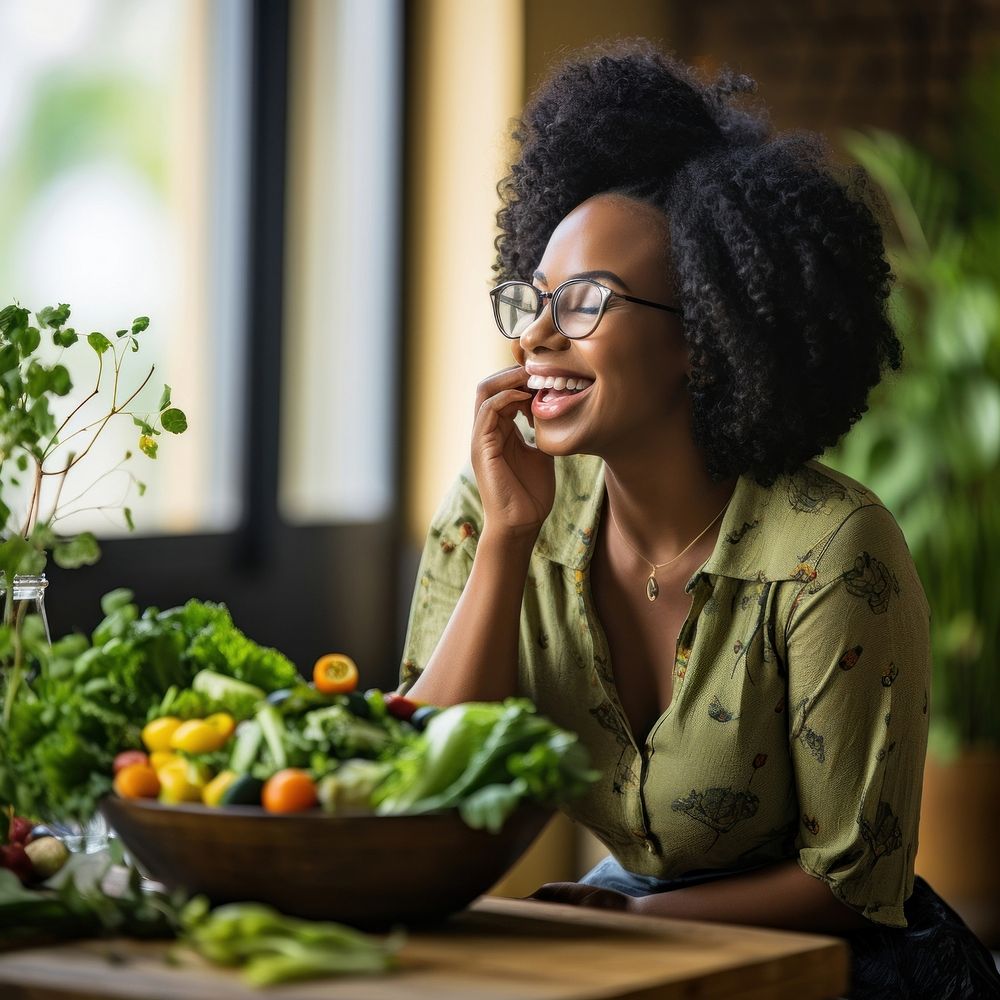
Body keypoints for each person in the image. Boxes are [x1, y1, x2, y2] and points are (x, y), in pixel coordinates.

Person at [397, 41, 1000, 999]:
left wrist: (632, 923)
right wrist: (508, 544)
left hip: (842, 969)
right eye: (533, 299)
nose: (536, 334)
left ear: (705, 339)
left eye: (584, 302)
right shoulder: (497, 506)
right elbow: (422, 784)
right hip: (626, 938)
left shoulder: (833, 552)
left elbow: (855, 882)